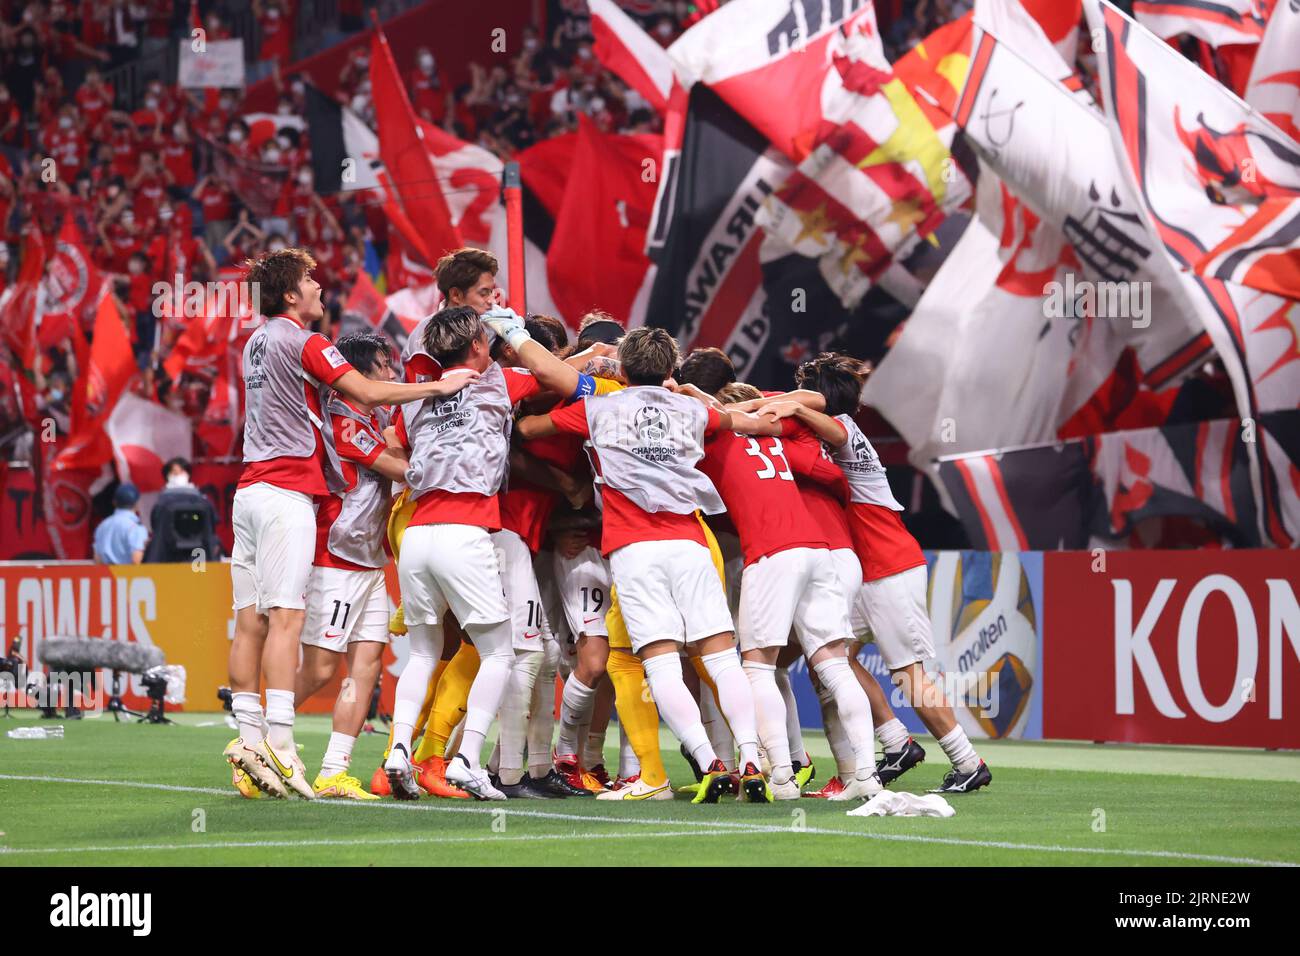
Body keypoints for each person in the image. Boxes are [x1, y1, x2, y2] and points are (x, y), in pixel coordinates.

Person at [222, 247, 475, 801]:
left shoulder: (255, 343)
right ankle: (278, 748)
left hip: (254, 491)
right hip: (298, 504)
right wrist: (437, 388)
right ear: (290, 294)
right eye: (310, 280)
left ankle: (311, 760)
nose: (318, 288)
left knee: (265, 624)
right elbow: (361, 392)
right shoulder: (307, 345)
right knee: (288, 624)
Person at [516, 327, 779, 804]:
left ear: (621, 369)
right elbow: (730, 420)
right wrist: (688, 392)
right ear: (670, 370)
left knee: (659, 666)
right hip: (691, 543)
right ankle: (752, 762)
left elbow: (531, 425)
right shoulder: (692, 409)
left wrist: (512, 331)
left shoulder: (600, 405)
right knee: (721, 660)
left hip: (635, 549)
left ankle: (708, 761)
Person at [382, 303, 595, 800]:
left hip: (417, 532)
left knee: (423, 652)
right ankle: (466, 759)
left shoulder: (414, 397)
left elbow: (395, 441)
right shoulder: (496, 382)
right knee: (500, 651)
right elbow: (558, 377)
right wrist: (524, 335)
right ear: (479, 345)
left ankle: (397, 749)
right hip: (467, 527)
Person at [755, 354, 993, 795]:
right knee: (833, 658)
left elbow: (834, 426)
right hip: (867, 571)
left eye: (808, 390)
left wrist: (797, 407)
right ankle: (897, 742)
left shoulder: (844, 427)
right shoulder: (831, 432)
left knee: (909, 674)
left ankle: (967, 762)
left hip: (890, 566)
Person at [294, 332, 411, 801]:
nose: (390, 375)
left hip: (369, 558)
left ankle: (333, 771)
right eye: (383, 366)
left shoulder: (376, 414)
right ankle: (255, 740)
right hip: (336, 556)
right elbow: (402, 468)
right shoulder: (342, 419)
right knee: (321, 670)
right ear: (359, 374)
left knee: (364, 668)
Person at [144, 458, 222, 563]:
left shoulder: (203, 501)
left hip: (199, 554)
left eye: (181, 471)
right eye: (174, 472)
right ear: (167, 475)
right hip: (170, 554)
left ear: (188, 474)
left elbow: (211, 527)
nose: (178, 475)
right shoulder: (161, 503)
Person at [93, 483, 148, 565]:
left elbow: (98, 559)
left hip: (107, 575)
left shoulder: (102, 525)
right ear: (136, 503)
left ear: (114, 502)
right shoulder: (135, 527)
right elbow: (136, 559)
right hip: (129, 576)